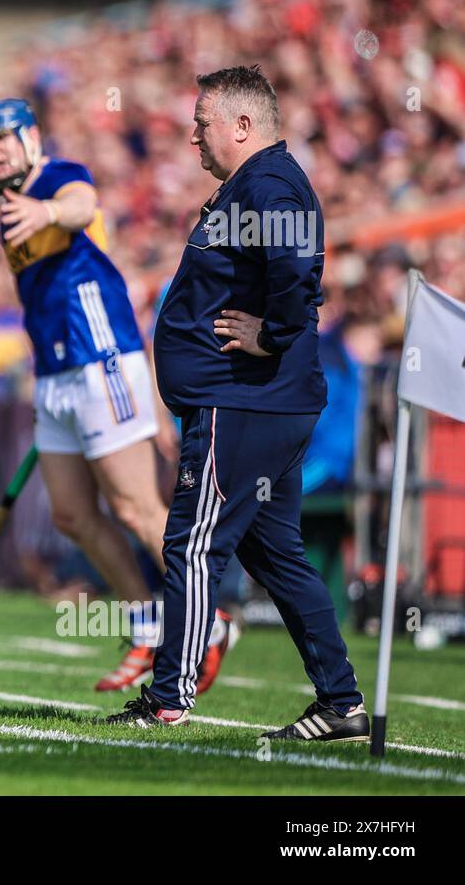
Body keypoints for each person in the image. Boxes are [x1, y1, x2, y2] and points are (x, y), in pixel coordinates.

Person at [108, 66, 368, 742]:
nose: (194, 137)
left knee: (192, 546)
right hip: (253, 403)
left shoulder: (269, 183)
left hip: (245, 402)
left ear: (242, 126)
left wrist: (275, 333)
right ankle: (341, 703)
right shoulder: (251, 185)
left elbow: (297, 268)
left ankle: (169, 697)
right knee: (277, 555)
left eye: (202, 125)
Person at [0, 99, 237, 692]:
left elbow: (82, 205)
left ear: (32, 138)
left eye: (4, 139)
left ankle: (210, 620)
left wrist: (48, 211)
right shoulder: (6, 213)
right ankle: (145, 623)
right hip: (56, 375)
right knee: (72, 514)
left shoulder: (57, 178)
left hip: (103, 360)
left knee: (137, 507)